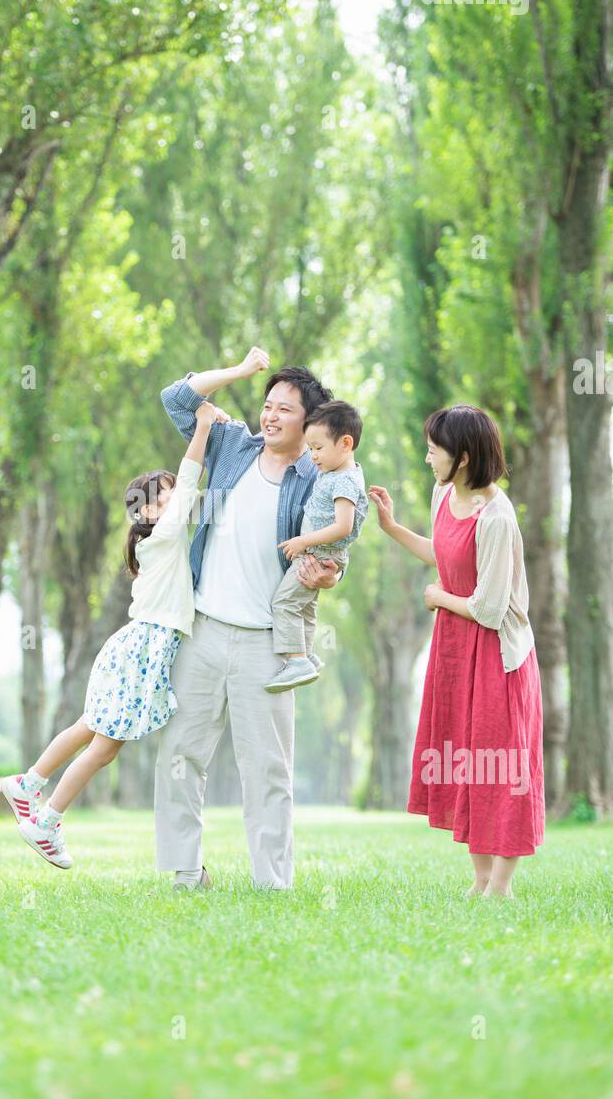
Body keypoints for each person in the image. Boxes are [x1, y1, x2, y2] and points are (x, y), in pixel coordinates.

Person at [0, 403, 222, 870]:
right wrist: (201, 428)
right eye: (163, 497)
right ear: (147, 511)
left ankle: (28, 783)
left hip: (133, 647)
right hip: (142, 648)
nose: (176, 500)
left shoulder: (155, 541)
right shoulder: (161, 537)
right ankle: (46, 820)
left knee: (89, 727)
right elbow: (189, 479)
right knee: (103, 747)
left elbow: (193, 493)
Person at [156, 346, 343, 891]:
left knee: (267, 769)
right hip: (203, 628)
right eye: (268, 404)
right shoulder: (234, 443)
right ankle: (184, 874)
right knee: (180, 756)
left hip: (269, 643)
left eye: (285, 408)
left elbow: (336, 548)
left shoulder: (316, 476)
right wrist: (241, 372)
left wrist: (328, 575)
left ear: (310, 422)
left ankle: (272, 883)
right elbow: (176, 398)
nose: (271, 415)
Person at [369, 404, 544, 898]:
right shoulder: (444, 494)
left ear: (463, 457)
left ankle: (502, 886)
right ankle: (480, 879)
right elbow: (444, 555)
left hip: (497, 653)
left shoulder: (498, 518)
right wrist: (392, 528)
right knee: (468, 760)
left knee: (502, 763)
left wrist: (436, 597)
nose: (428, 458)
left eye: (434, 450)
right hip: (455, 649)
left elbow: (489, 608)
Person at [266, 399, 368, 693]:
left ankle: (295, 660)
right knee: (305, 608)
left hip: (318, 553)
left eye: (318, 448)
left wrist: (303, 541)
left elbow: (343, 526)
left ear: (346, 443)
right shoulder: (336, 473)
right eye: (310, 448)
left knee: (284, 602)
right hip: (319, 553)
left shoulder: (346, 481)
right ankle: (308, 655)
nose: (312, 456)